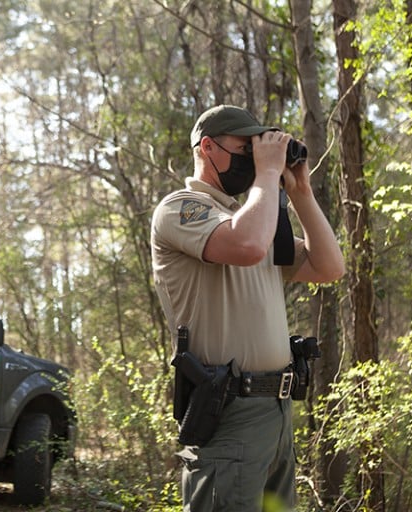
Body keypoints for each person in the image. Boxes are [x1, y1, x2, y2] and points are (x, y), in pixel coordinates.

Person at [151, 105, 345, 511]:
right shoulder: (180, 209)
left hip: (276, 413)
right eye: (245, 149)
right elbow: (246, 246)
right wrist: (267, 174)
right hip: (229, 411)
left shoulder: (249, 219)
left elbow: (329, 266)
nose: (254, 160)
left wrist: (301, 192)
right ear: (208, 148)